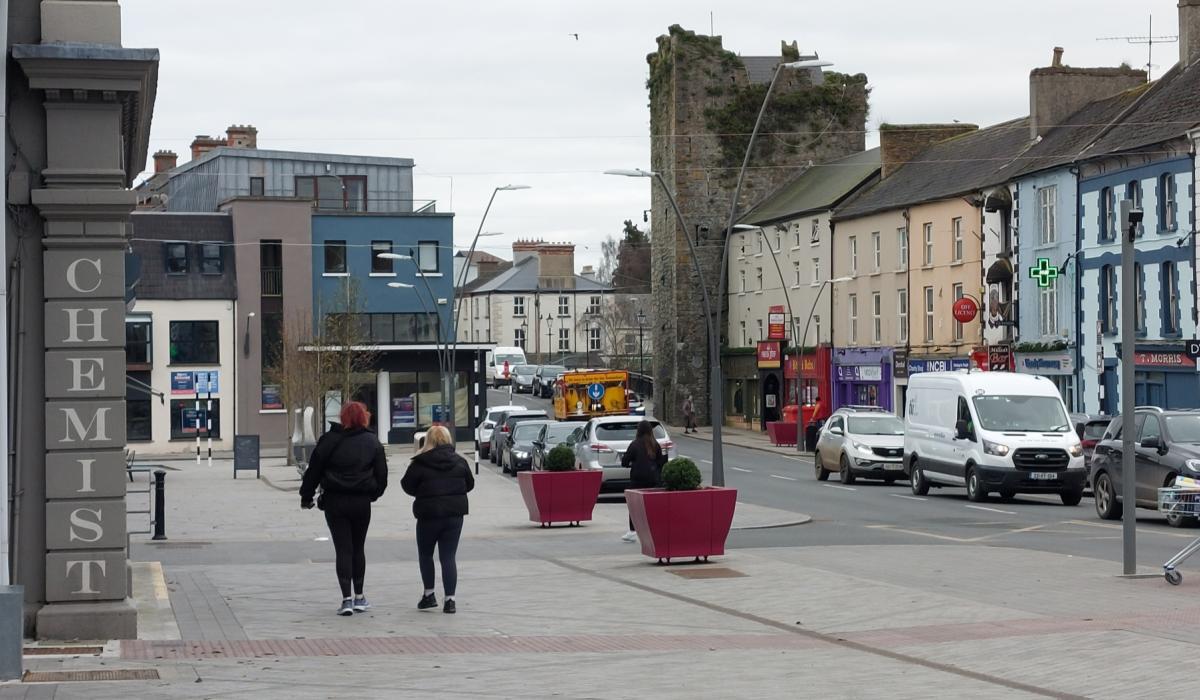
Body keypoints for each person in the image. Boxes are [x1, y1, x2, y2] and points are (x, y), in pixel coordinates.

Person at [300, 401, 388, 616]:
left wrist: (306, 496)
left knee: (343, 549)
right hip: (361, 502)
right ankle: (360, 597)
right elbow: (382, 476)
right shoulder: (372, 441)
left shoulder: (329, 440)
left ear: (343, 417)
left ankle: (346, 599)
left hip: (335, 501)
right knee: (358, 548)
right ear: (364, 417)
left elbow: (314, 470)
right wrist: (372, 494)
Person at [401, 425, 474, 614]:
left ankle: (429, 594)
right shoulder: (460, 461)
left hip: (428, 515)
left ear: (428, 440)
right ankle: (450, 600)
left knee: (426, 555)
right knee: (448, 556)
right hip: (454, 515)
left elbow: (407, 485)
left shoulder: (420, 462)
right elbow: (469, 484)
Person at [620, 420, 667, 542]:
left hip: (638, 480)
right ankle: (653, 529)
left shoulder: (635, 444)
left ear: (639, 430)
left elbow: (624, 462)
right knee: (652, 506)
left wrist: (632, 463)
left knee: (634, 505)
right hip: (653, 480)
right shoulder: (655, 444)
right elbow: (659, 462)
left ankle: (632, 531)